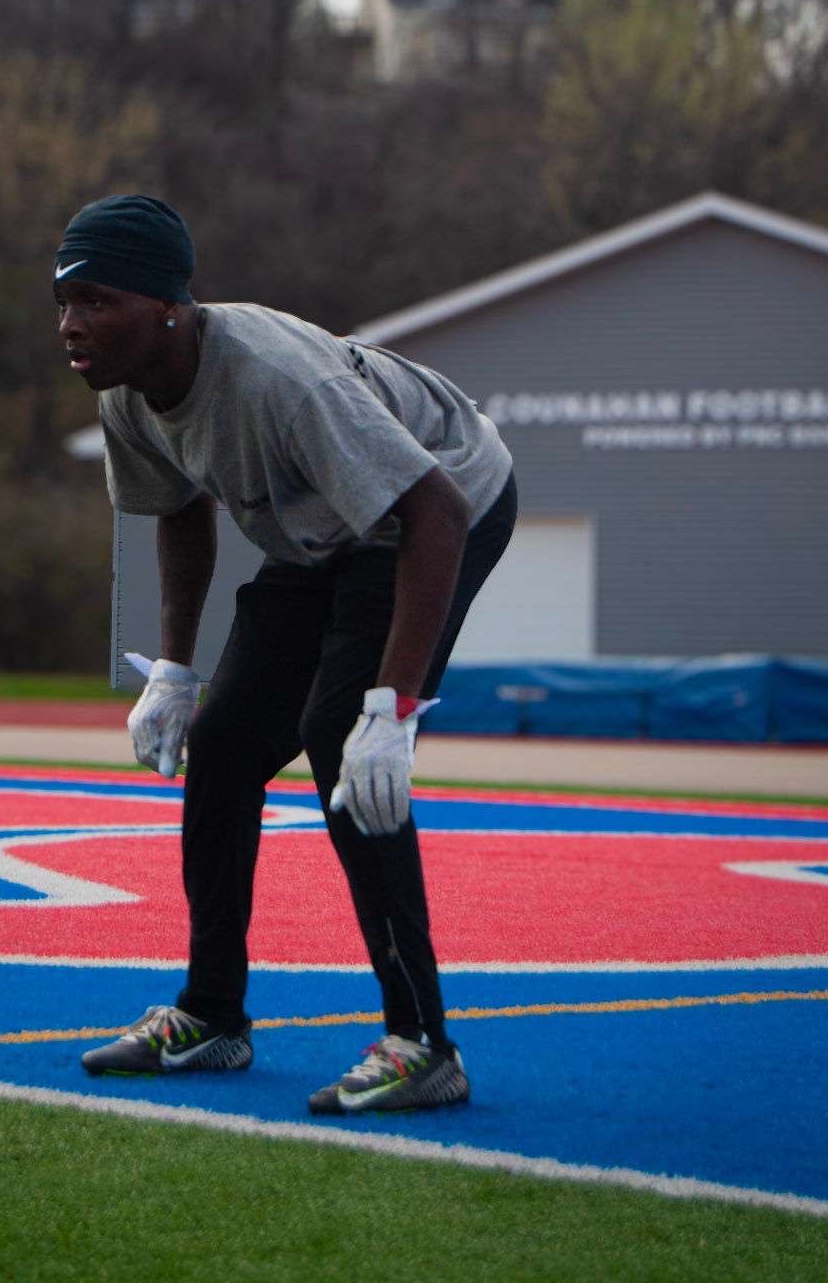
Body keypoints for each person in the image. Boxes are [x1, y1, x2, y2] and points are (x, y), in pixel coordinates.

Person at [55, 193, 516, 1114]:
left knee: (345, 747)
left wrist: (392, 709)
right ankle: (212, 1015)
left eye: (98, 301)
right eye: (64, 301)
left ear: (167, 307)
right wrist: (179, 673)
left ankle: (423, 1042)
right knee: (223, 747)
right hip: (320, 531)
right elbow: (182, 514)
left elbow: (436, 515)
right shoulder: (126, 391)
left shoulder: (277, 379)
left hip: (435, 503)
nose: (71, 325)